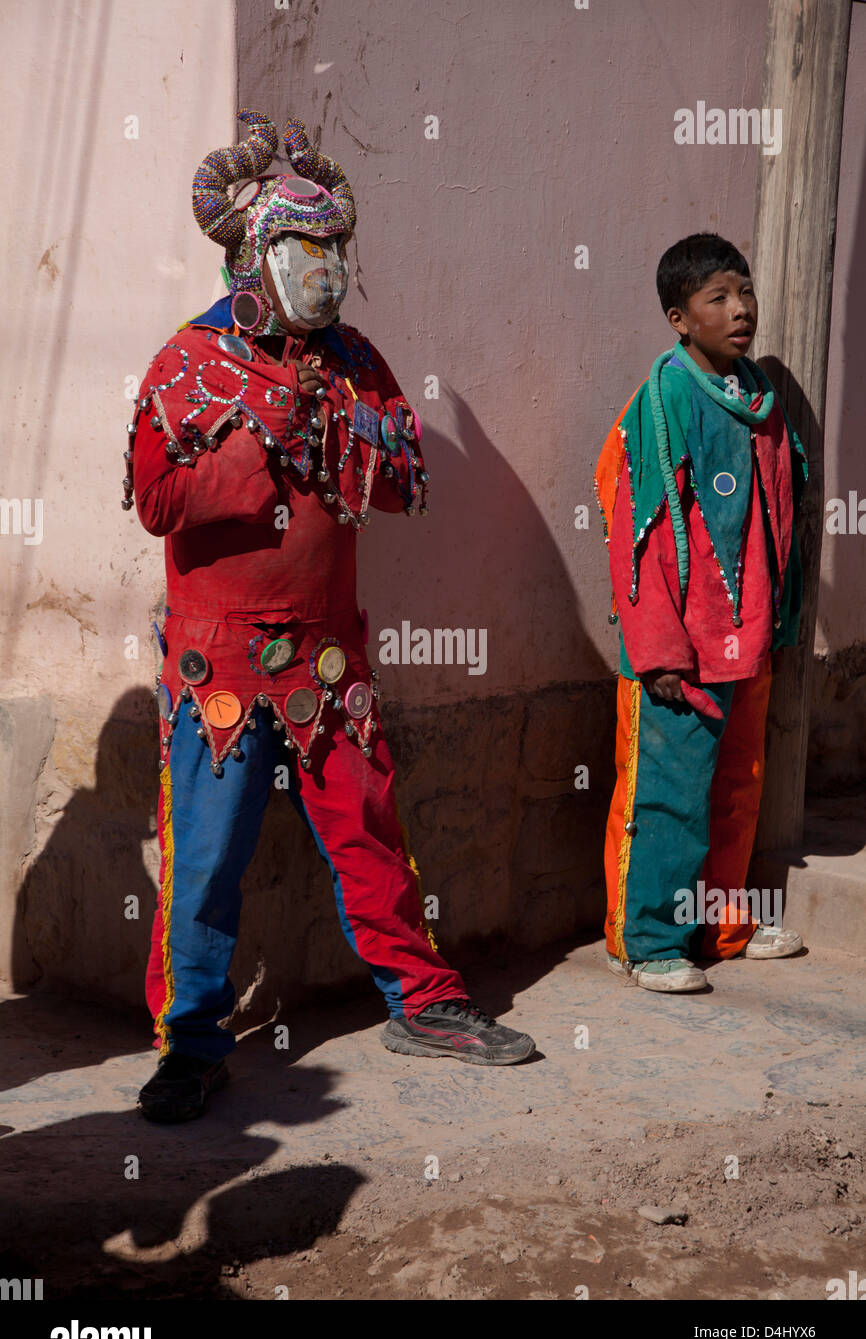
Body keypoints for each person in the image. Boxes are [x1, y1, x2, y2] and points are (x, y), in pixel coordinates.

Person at [125, 109, 534, 1120]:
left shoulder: (354, 361)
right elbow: (156, 500)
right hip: (216, 662)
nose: (326, 268)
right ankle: (189, 1040)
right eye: (305, 247)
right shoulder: (189, 362)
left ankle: (423, 1000)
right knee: (205, 853)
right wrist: (255, 442)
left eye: (334, 247)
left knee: (367, 833)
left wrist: (335, 421)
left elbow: (402, 478)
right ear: (256, 253)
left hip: (326, 661)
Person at [594, 232, 807, 993]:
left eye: (743, 292)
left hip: (748, 638)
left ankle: (719, 925)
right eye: (718, 297)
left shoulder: (759, 399)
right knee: (667, 794)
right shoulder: (663, 402)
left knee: (736, 786)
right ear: (680, 319)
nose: (740, 309)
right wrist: (655, 649)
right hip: (678, 647)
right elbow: (635, 531)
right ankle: (648, 939)